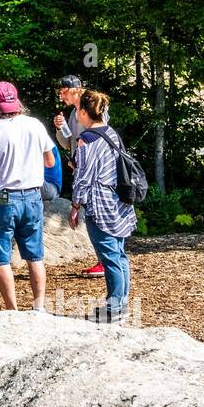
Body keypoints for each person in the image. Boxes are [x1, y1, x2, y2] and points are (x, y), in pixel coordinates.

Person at [0, 82, 57, 311]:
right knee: (35, 254)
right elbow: (50, 161)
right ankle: (39, 307)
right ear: (17, 101)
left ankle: (13, 310)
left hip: (0, 198)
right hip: (32, 197)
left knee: (0, 256)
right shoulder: (35, 125)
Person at [68, 89, 137, 323]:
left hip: (100, 204)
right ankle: (122, 303)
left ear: (85, 112)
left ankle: (114, 307)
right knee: (119, 254)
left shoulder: (86, 140)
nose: (76, 114)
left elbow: (83, 177)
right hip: (119, 201)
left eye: (78, 110)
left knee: (109, 256)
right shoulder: (111, 133)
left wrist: (75, 205)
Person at [53, 74, 106, 278]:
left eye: (64, 92)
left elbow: (98, 137)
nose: (62, 96)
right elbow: (69, 142)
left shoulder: (93, 107)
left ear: (77, 89)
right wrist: (60, 128)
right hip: (81, 169)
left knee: (97, 214)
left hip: (96, 171)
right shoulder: (74, 113)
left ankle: (106, 261)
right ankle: (104, 260)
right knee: (92, 213)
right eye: (60, 93)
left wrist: (84, 161)